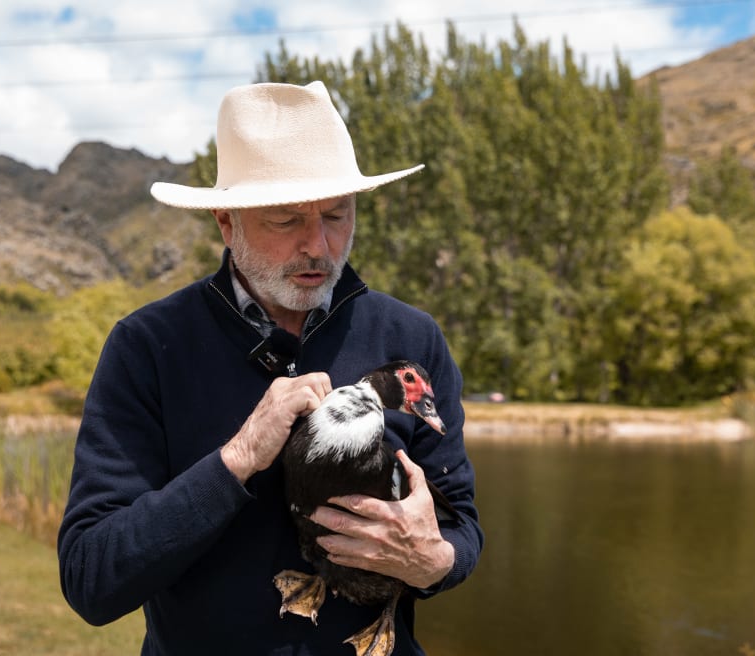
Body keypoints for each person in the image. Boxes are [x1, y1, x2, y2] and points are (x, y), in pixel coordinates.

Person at [58, 80, 483, 655]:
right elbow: (92, 580)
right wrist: (238, 458)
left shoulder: (411, 339)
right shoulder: (147, 346)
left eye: (336, 215)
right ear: (226, 222)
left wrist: (432, 560)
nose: (319, 246)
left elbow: (462, 529)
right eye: (285, 220)